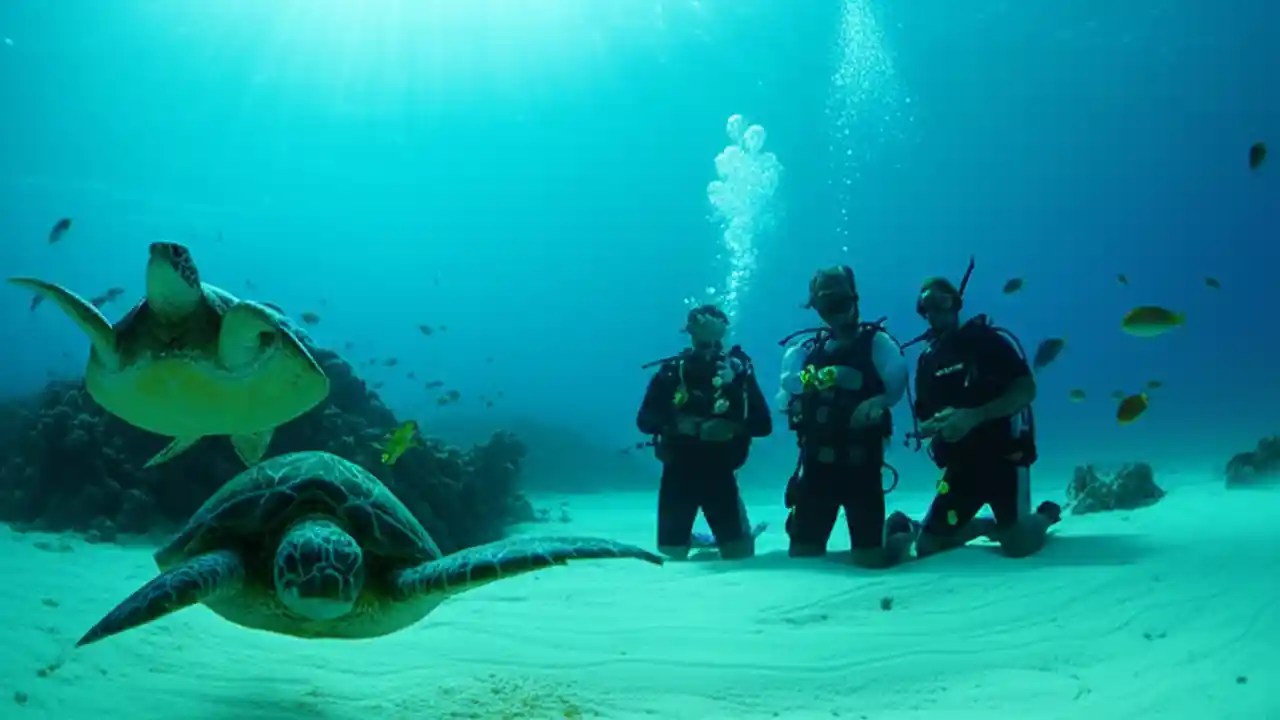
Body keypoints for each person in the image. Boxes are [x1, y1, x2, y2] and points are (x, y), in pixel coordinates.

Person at [907, 275, 1062, 558]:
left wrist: (973, 417)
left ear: (955, 303)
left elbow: (1026, 389)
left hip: (1004, 459)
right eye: (926, 307)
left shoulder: (988, 342)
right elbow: (925, 417)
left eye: (941, 302)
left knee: (1019, 546)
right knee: (927, 547)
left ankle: (1045, 516)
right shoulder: (928, 361)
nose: (934, 313)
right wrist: (932, 427)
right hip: (961, 467)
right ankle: (983, 526)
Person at [777, 266, 913, 568]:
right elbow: (786, 394)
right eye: (826, 304)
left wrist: (876, 401)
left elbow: (896, 386)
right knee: (804, 554)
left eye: (839, 301)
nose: (834, 311)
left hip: (860, 467)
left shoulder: (877, 344)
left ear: (854, 298)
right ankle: (805, 525)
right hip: (816, 469)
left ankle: (901, 528)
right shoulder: (806, 351)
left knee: (870, 560)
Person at [636, 304, 772, 560]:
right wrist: (677, 424)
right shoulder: (672, 373)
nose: (708, 353)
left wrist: (731, 427)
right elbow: (644, 420)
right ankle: (698, 539)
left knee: (739, 553)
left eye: (714, 344)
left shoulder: (738, 374)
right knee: (669, 553)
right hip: (678, 472)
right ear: (690, 335)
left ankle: (725, 537)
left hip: (719, 472)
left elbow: (763, 424)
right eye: (702, 342)